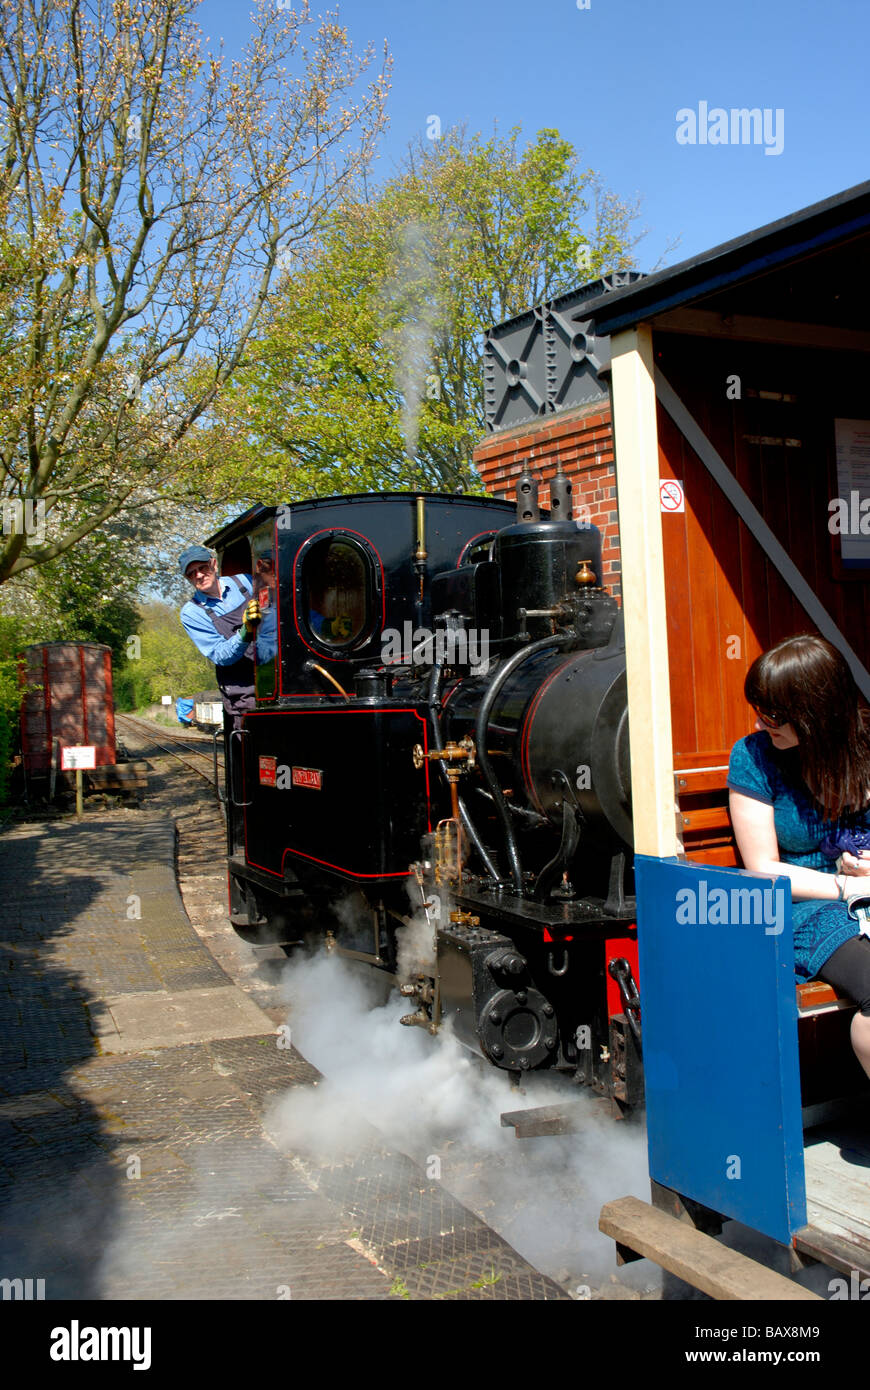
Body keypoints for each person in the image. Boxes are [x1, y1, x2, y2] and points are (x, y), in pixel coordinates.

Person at [728, 634, 870, 1080]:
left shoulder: (863, 747)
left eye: (773, 714)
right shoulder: (754, 757)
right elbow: (762, 867)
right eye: (758, 708)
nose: (760, 722)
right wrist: (850, 885)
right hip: (805, 907)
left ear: (816, 714)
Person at [178, 546, 261, 723]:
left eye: (202, 568)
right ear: (187, 578)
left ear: (213, 564)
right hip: (243, 694)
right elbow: (220, 654)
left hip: (274, 677)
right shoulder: (191, 613)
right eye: (192, 573)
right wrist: (245, 632)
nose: (199, 575)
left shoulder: (245, 582)